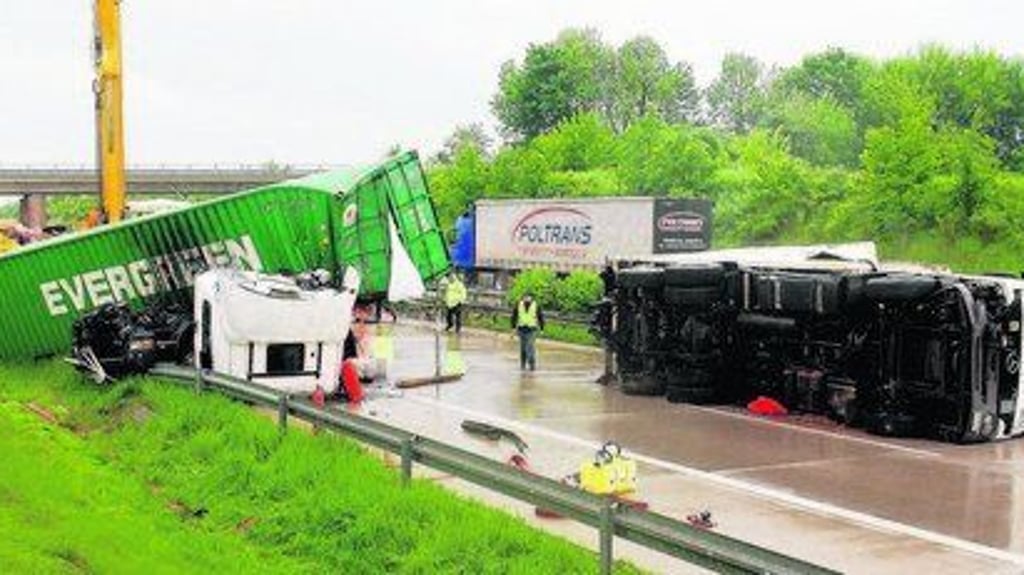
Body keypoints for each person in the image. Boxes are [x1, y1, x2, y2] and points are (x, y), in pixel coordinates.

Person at [511, 292, 544, 371]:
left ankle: (532, 364)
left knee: (530, 346)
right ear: (523, 297)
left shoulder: (536, 306)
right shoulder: (519, 305)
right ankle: (523, 364)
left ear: (532, 298)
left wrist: (542, 329)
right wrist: (513, 328)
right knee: (523, 348)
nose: (527, 299)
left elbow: (540, 317)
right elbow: (514, 316)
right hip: (521, 329)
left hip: (532, 329)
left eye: (529, 297)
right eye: (525, 297)